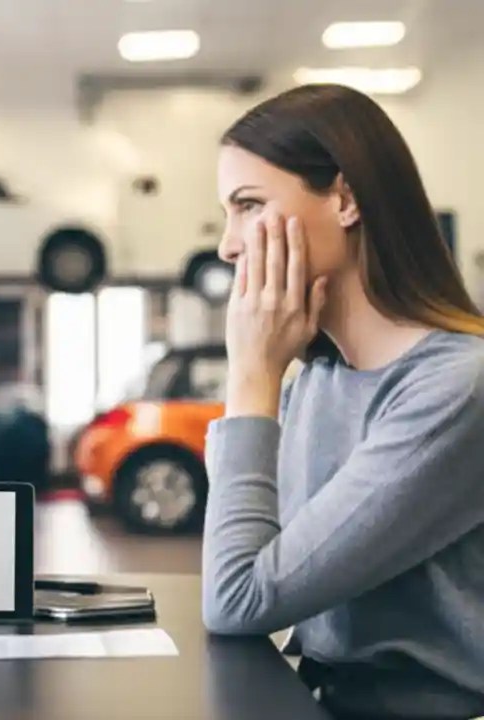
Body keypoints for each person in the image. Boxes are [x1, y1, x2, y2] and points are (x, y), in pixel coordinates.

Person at [202, 83, 484, 719]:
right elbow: (242, 559)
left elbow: (240, 598)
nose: (228, 245)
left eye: (249, 205)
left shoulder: (455, 387)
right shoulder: (317, 381)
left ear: (347, 198)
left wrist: (251, 375)